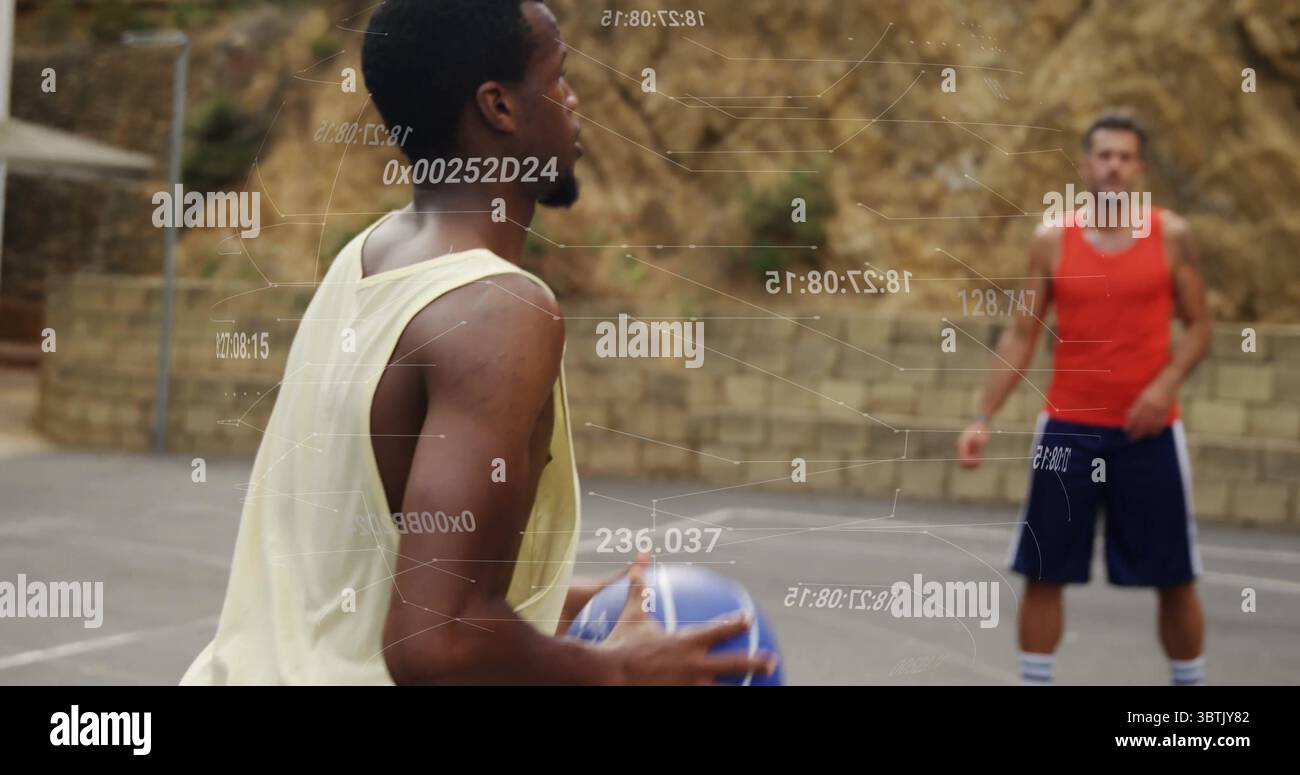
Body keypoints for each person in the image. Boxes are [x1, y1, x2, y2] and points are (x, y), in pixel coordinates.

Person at [182, 0, 775, 685]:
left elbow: (375, 588)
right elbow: (436, 643)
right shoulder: (496, 309)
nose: (575, 100)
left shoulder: (368, 258)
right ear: (499, 107)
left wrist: (587, 603)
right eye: (558, 80)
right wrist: (614, 670)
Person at [955, 111, 1211, 686]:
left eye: (1125, 156)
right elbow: (1022, 333)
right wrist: (982, 417)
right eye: (1103, 155)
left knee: (1175, 578)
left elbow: (1200, 328)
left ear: (1139, 167)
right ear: (1085, 165)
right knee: (1043, 572)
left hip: (1150, 433)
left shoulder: (1171, 235)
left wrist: (1163, 386)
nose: (1113, 166)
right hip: (1068, 430)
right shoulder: (1051, 240)